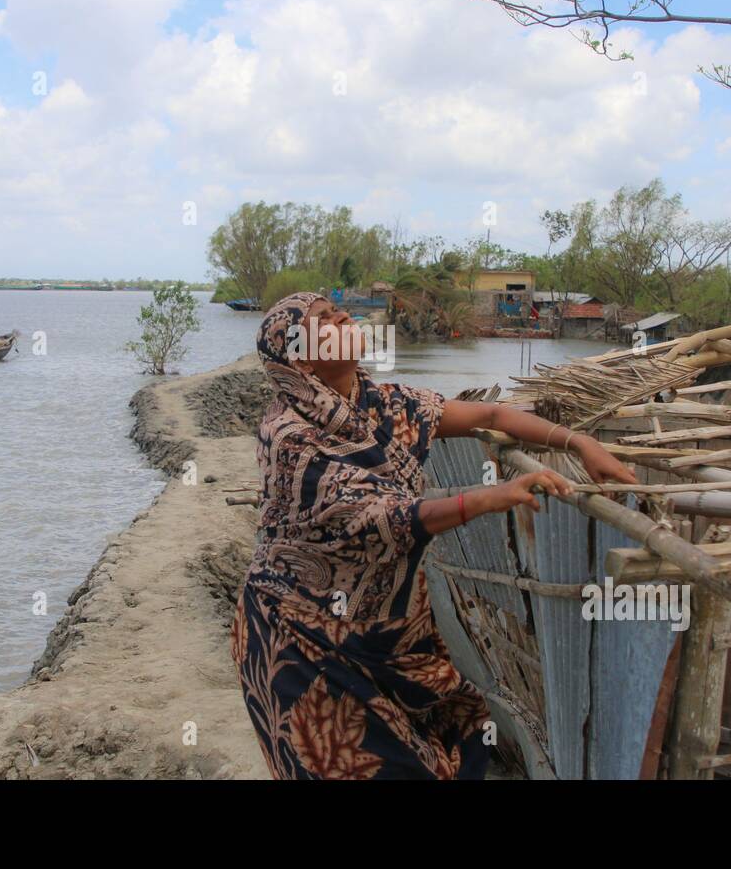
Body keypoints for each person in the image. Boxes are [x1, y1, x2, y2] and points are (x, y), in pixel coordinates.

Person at [231, 291, 637, 779]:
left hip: (386, 630)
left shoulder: (385, 404)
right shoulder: (289, 435)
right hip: (300, 632)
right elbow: (375, 518)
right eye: (321, 319)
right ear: (302, 361)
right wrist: (489, 497)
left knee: (448, 738)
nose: (341, 315)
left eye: (336, 309)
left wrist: (577, 441)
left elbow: (490, 417)